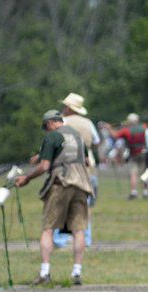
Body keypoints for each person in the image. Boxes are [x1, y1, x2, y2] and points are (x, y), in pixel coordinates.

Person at [14, 110, 93, 286]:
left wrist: (26, 178)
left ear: (50, 123)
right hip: (81, 184)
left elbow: (44, 166)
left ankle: (45, 272)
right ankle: (76, 273)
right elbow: (87, 161)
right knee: (78, 229)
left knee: (48, 228)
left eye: (45, 127)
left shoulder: (52, 137)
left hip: (61, 183)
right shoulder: (78, 136)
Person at [57, 93, 100, 248]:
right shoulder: (88, 123)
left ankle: (61, 239)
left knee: (61, 202)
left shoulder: (61, 121)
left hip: (65, 165)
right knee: (84, 204)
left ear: (68, 108)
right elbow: (96, 141)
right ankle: (85, 238)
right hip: (85, 167)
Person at [107, 113, 147, 199]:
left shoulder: (126, 130)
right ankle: (145, 192)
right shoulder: (143, 127)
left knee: (133, 173)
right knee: (143, 173)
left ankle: (134, 192)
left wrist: (109, 128)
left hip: (133, 153)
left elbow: (115, 135)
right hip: (143, 152)